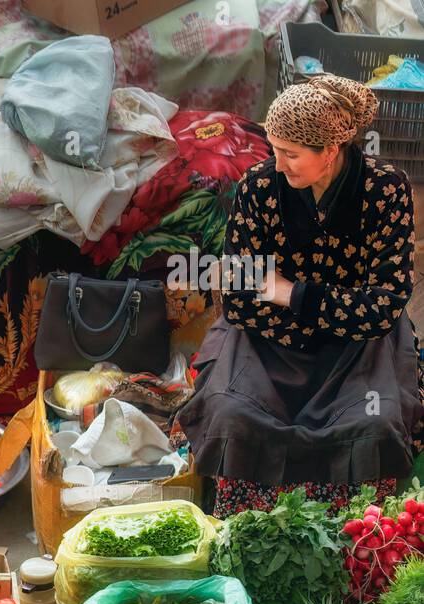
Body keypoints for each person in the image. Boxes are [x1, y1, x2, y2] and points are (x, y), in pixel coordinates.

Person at [177, 76, 420, 517]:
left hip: (357, 348)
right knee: (233, 412)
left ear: (330, 151)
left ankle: (353, 529)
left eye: (291, 153)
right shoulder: (259, 187)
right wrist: (328, 312)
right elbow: (238, 296)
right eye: (274, 148)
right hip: (273, 340)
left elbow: (385, 305)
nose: (279, 163)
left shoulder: (386, 190)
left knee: (375, 421)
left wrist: (293, 294)